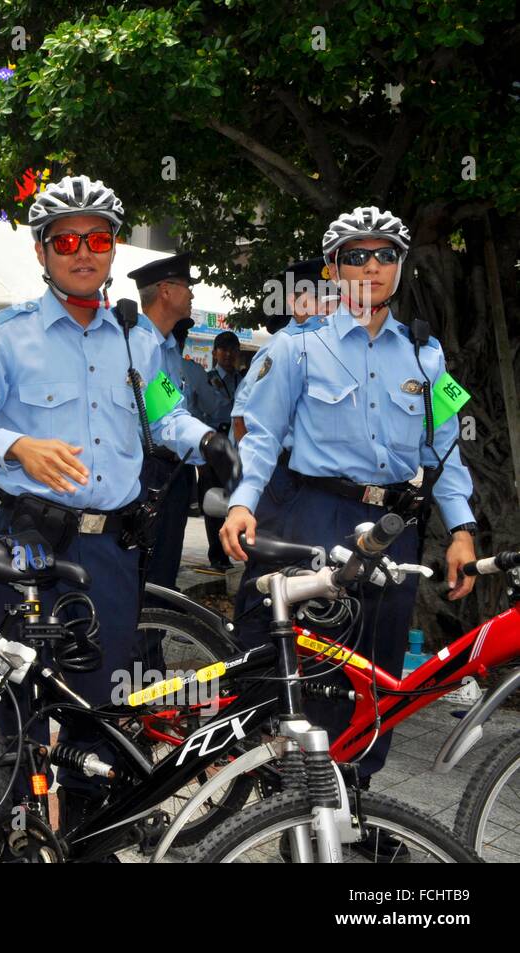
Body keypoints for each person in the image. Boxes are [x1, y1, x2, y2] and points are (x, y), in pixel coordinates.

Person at [0, 175, 240, 825]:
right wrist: (18, 445)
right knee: (22, 707)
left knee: (99, 713)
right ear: (42, 251)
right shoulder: (5, 336)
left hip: (111, 549)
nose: (84, 250)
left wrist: (211, 441)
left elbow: (165, 417)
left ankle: (85, 836)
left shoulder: (136, 340)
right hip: (29, 543)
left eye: (99, 238)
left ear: (113, 251)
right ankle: (17, 835)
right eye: (66, 239)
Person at [221, 206, 477, 798]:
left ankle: (354, 799)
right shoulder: (296, 347)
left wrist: (461, 529)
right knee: (312, 666)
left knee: (377, 669)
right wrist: (242, 504)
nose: (371, 267)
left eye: (384, 254)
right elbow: (259, 437)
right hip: (317, 517)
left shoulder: (427, 357)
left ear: (399, 267)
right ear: (333, 269)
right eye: (355, 256)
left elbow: (447, 456)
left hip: (393, 527)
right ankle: (292, 803)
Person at [129, 252, 200, 591]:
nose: (192, 295)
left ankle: (152, 641)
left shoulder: (169, 346)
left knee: (165, 571)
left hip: (174, 470)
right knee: (145, 571)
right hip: (149, 470)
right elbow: (164, 415)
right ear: (166, 291)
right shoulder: (134, 344)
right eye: (187, 287)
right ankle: (140, 642)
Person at [231, 257, 335, 442]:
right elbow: (241, 420)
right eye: (315, 297)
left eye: (330, 297)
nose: (324, 307)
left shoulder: (328, 347)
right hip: (283, 464)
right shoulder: (280, 345)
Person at [191, 330, 243, 571]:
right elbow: (197, 415)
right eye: (223, 349)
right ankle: (218, 557)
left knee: (238, 500)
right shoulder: (207, 379)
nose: (228, 354)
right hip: (212, 448)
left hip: (239, 448)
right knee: (212, 503)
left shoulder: (244, 380)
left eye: (233, 349)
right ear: (214, 352)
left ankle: (240, 550)